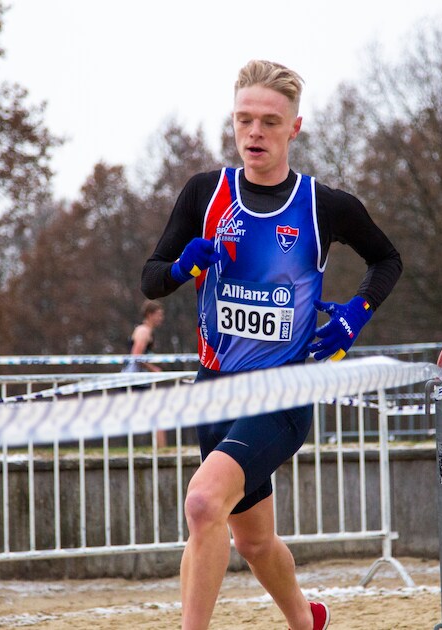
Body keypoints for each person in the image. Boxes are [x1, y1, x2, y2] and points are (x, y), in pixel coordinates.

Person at [140, 59, 401, 630]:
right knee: (253, 540)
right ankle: (307, 621)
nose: (254, 133)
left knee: (204, 503)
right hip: (212, 391)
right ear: (233, 123)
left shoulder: (323, 205)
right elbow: (151, 277)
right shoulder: (205, 193)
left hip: (282, 393)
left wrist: (355, 316)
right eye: (244, 120)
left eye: (269, 122)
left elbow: (387, 259)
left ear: (294, 128)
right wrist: (183, 266)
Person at [126, 299, 168, 445]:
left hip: (138, 378)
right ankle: (163, 452)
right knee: (157, 413)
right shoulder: (144, 331)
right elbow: (136, 356)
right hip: (135, 379)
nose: (161, 318)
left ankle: (162, 450)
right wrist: (153, 369)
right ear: (150, 315)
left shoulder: (145, 331)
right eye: (159, 314)